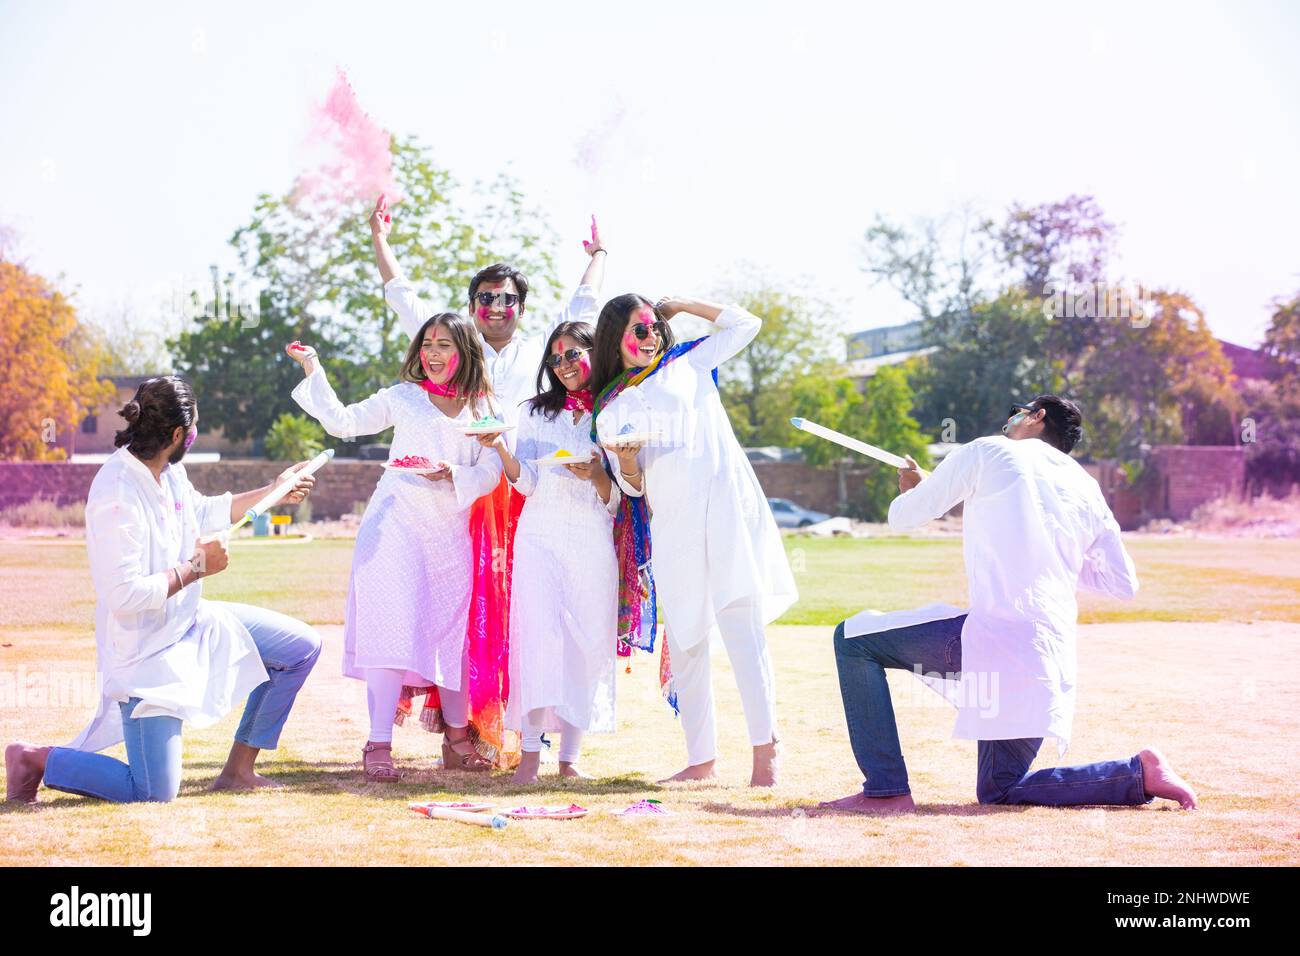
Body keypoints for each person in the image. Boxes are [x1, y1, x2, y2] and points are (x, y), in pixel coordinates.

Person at [820, 395, 1199, 814]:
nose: (1011, 417)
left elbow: (904, 516)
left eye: (1020, 410)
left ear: (1037, 417)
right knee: (999, 790)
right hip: (1047, 658)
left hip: (993, 638)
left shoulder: (987, 450)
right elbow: (1122, 583)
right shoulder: (1084, 484)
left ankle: (886, 788)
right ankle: (1136, 773)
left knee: (853, 641)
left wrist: (917, 489)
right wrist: (1054, 550)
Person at [5, 376, 321, 804]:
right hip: (145, 658)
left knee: (300, 647)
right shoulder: (117, 490)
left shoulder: (170, 472)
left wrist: (274, 491)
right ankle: (37, 759)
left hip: (190, 623)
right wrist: (196, 568)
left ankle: (239, 771)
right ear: (178, 435)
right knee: (153, 791)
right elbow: (126, 595)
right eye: (193, 430)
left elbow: (205, 510)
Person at [590, 295, 798, 787]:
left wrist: (679, 305)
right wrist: (627, 463)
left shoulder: (690, 361)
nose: (651, 338)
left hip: (726, 511)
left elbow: (747, 322)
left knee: (742, 629)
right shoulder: (610, 408)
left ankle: (765, 750)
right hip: (673, 526)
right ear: (614, 340)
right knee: (685, 639)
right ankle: (701, 758)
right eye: (638, 331)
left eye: (654, 328)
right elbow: (632, 490)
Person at [287, 313, 503, 779]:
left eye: (444, 345)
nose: (433, 354)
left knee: (451, 632)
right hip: (393, 524)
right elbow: (343, 422)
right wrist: (313, 370)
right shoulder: (403, 397)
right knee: (390, 628)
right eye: (427, 344)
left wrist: (454, 474)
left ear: (465, 351)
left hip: (450, 533)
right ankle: (378, 743)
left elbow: (491, 472)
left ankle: (457, 738)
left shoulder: (485, 408)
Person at [481, 322, 620, 784]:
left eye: (573, 355)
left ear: (595, 354)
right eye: (555, 359)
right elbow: (528, 482)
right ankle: (529, 756)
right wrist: (502, 449)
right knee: (537, 640)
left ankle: (570, 758)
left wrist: (597, 475)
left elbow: (622, 499)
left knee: (584, 644)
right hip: (539, 533)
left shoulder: (617, 410)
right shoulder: (535, 413)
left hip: (592, 538)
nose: (563, 366)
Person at [371, 197, 607, 424]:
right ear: (471, 307)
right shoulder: (454, 348)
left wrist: (599, 253)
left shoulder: (542, 349)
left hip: (530, 464)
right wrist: (379, 237)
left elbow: (585, 301)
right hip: (463, 465)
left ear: (522, 309)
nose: (496, 306)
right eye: (486, 298)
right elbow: (402, 297)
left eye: (507, 299)